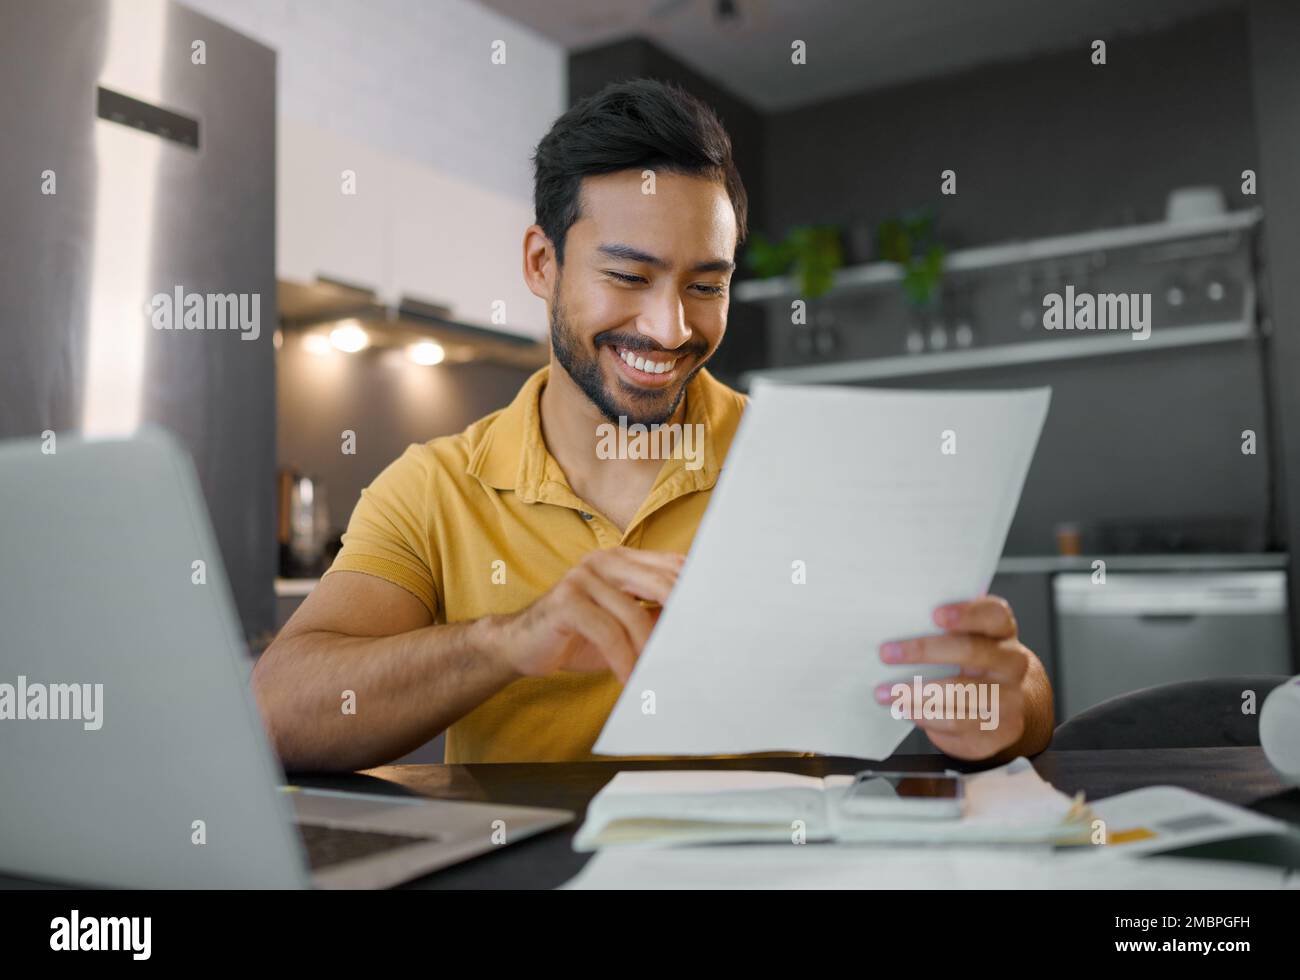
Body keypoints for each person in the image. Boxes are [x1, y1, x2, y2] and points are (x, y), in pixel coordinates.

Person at [253, 79, 1054, 770]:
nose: (671, 329)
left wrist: (1003, 700)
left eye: (706, 287)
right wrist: (504, 640)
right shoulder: (431, 488)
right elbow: (279, 711)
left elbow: (1017, 693)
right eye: (628, 276)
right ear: (542, 263)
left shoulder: (806, 459)